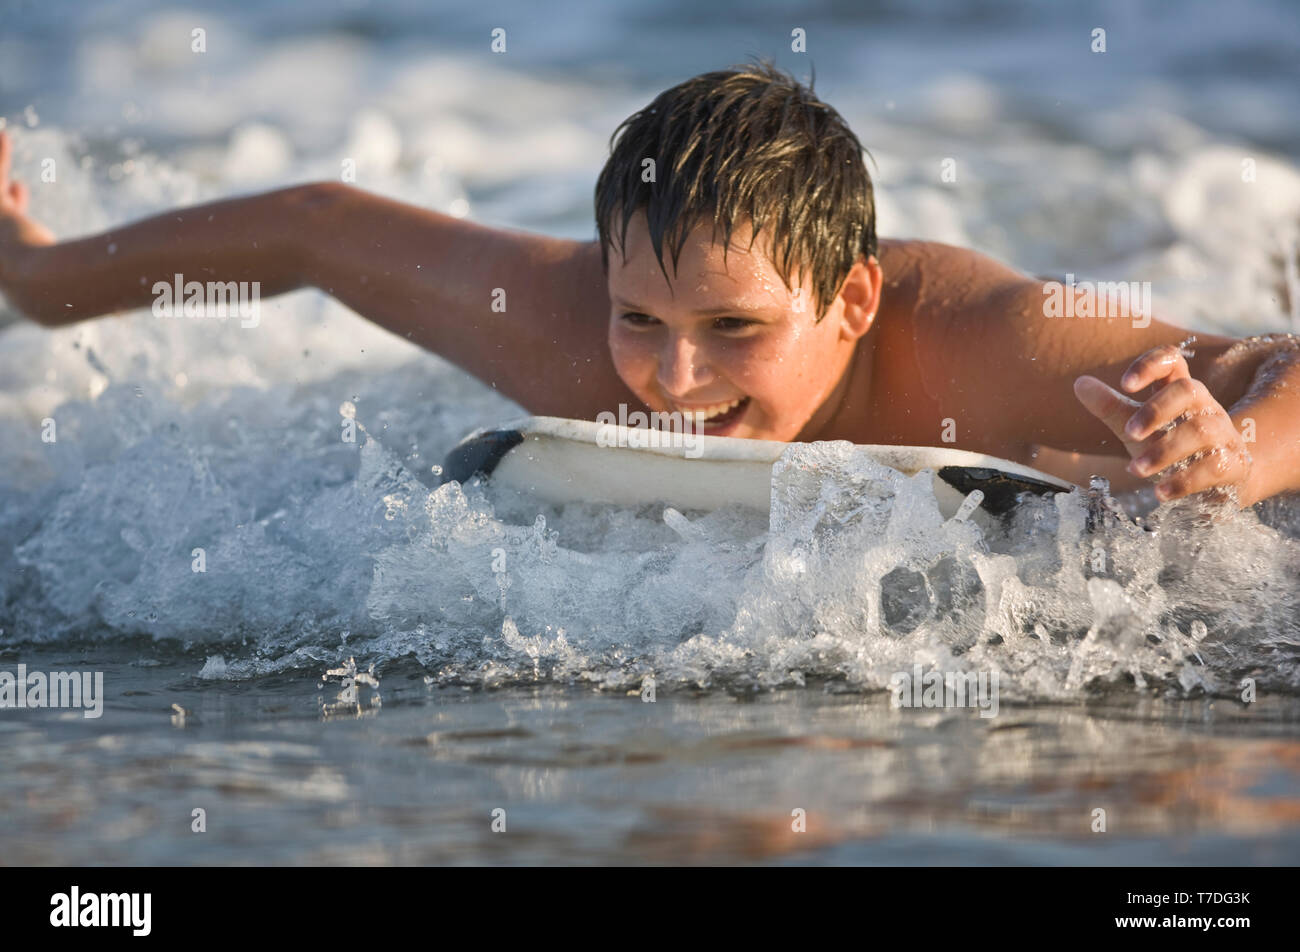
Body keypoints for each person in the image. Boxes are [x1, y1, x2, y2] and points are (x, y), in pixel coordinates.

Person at [2, 63, 1297, 507]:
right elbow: (315, 229)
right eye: (642, 319)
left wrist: (1229, 452)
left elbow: (1279, 365)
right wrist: (43, 278)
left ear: (848, 306)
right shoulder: (571, 338)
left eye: (733, 331)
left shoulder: (990, 351)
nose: (671, 379)